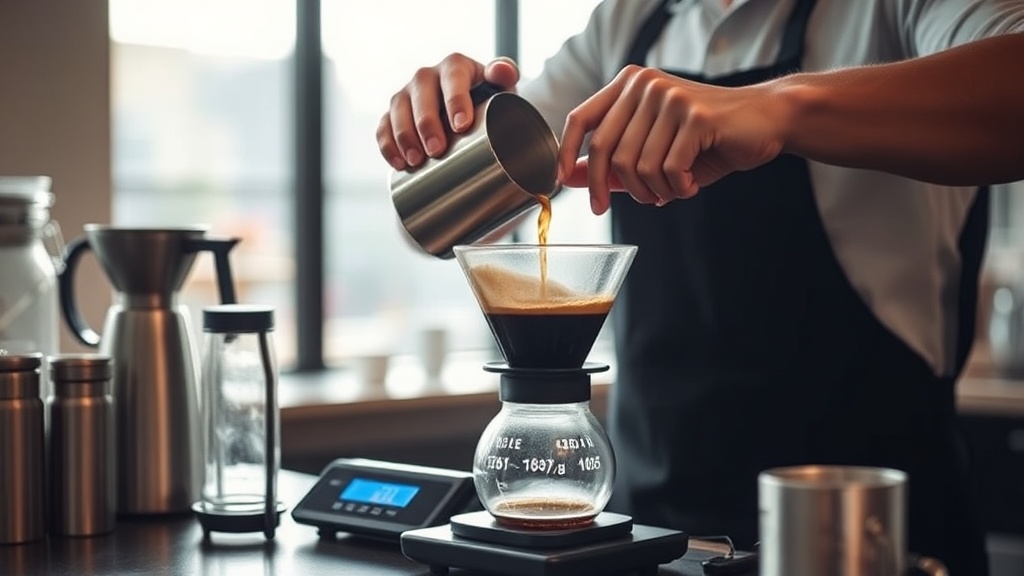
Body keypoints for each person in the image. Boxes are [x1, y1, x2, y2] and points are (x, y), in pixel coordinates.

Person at [377, 1, 1024, 573]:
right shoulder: (626, 23)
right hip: (652, 542)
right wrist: (441, 132)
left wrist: (776, 107)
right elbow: (440, 228)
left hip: (859, 542)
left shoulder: (896, 10)